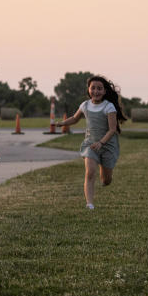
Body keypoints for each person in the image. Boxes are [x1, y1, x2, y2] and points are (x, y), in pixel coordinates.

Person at [54, 75, 128, 210]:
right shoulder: (85, 105)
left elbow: (112, 130)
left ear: (105, 91)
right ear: (88, 90)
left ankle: (104, 172)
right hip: (90, 144)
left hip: (107, 145)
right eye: (93, 88)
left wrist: (101, 143)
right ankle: (89, 204)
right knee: (90, 172)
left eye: (99, 89)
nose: (96, 91)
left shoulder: (109, 106)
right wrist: (62, 123)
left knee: (106, 180)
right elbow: (75, 119)